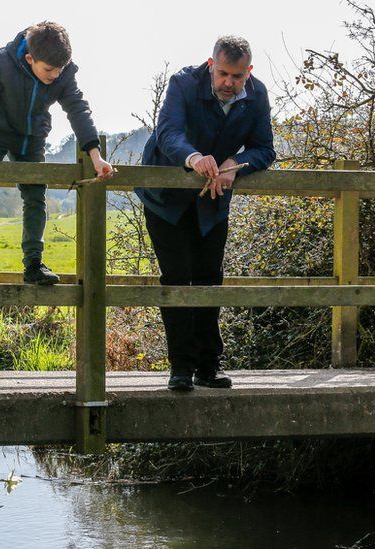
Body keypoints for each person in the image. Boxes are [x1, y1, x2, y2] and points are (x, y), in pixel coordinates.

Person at [135, 36, 276, 391]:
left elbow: (265, 148)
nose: (229, 83)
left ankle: (208, 367)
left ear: (250, 73)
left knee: (210, 277)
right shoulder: (183, 84)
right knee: (178, 276)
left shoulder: (256, 96)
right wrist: (195, 158)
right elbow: (168, 133)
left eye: (238, 76)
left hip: (212, 199)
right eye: (224, 74)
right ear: (211, 66)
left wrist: (235, 164)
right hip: (166, 198)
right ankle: (180, 368)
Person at [0, 21, 114, 285]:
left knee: (35, 196)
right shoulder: (2, 62)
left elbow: (78, 110)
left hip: (31, 135)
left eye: (60, 69)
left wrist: (96, 156)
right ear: (30, 58)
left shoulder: (62, 73)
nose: (54, 75)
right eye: (49, 69)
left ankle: (33, 265)